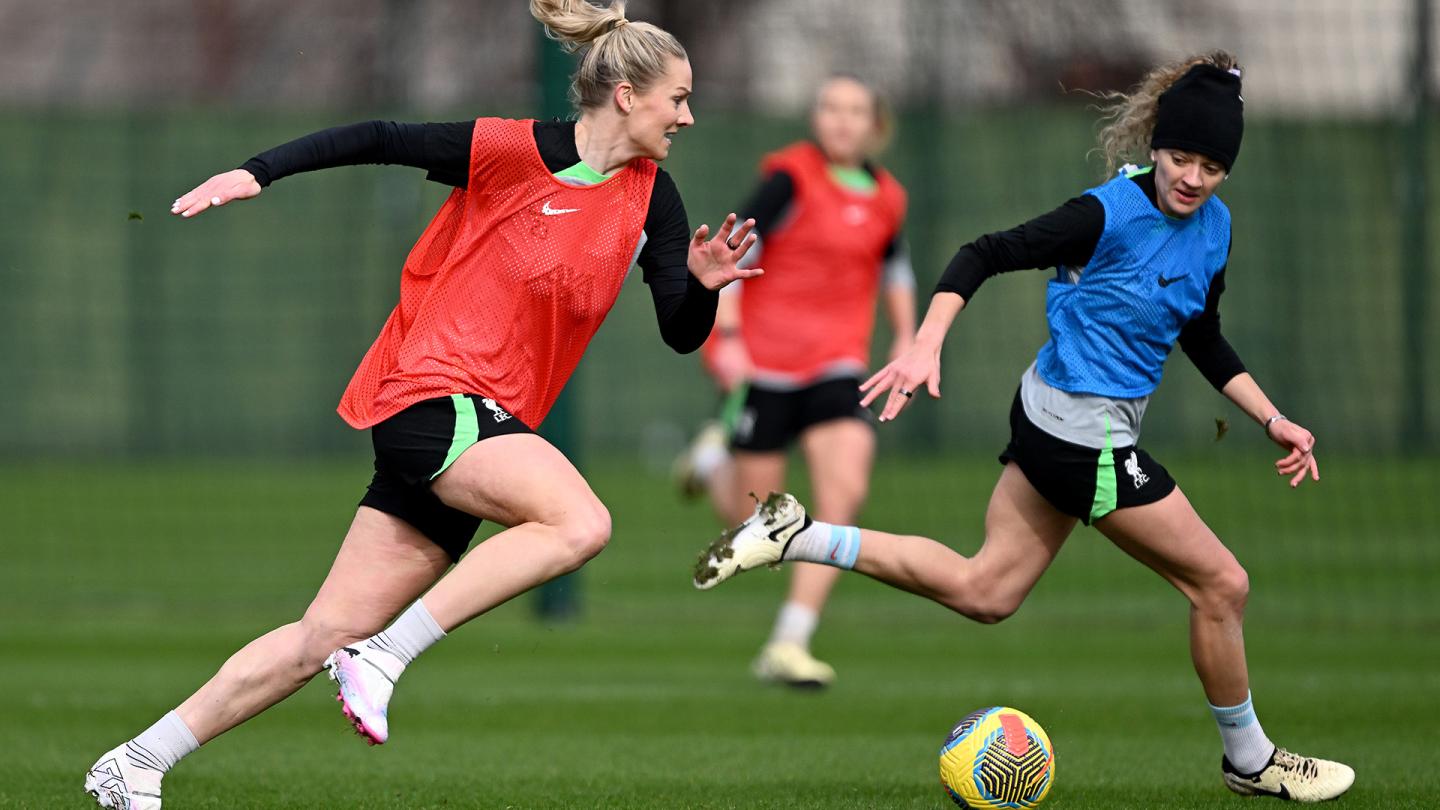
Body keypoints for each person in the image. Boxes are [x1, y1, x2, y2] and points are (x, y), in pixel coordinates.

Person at [82, 2, 764, 807]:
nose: (687, 115)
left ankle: (135, 764)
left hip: (483, 424)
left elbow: (680, 332)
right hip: (433, 393)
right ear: (625, 94)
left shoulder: (655, 198)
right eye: (677, 98)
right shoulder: (513, 150)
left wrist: (707, 289)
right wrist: (256, 171)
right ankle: (385, 659)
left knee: (320, 636)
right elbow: (379, 136)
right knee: (581, 524)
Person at [693, 52, 1355, 802]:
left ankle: (799, 537)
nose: (1192, 178)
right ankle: (1250, 758)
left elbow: (1200, 329)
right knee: (1222, 584)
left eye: (1210, 165)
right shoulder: (1106, 212)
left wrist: (1270, 417)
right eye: (1180, 157)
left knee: (987, 591)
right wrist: (924, 344)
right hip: (1081, 432)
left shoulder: (1215, 228)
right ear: (1155, 148)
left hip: (1058, 420)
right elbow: (985, 253)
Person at [674, 74, 912, 688]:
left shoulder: (889, 198)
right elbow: (732, 253)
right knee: (754, 520)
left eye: (855, 110)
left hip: (836, 367)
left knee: (842, 496)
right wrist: (725, 341)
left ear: (875, 125)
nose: (840, 119)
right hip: (765, 367)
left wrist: (910, 342)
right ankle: (713, 465)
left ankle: (788, 641)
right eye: (829, 107)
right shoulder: (790, 177)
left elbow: (895, 272)